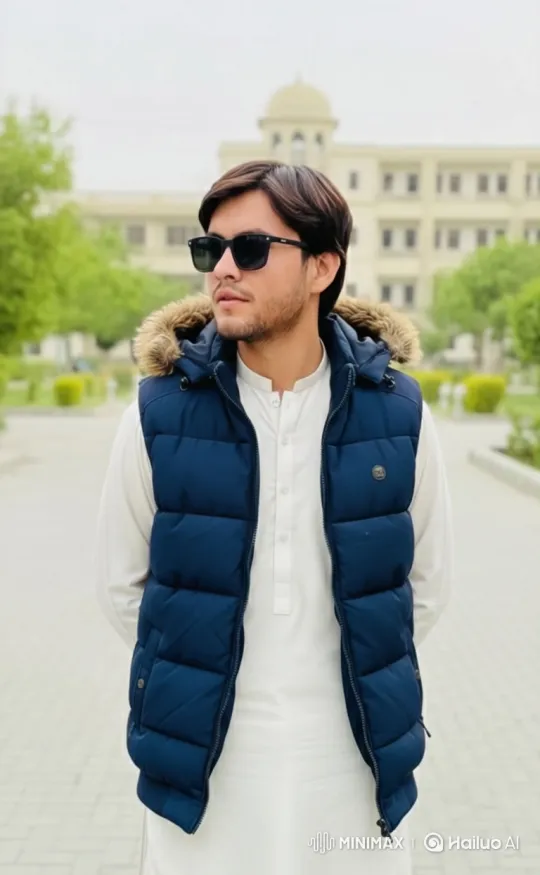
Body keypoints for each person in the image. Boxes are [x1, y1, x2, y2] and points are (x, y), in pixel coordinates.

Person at [95, 160, 453, 875]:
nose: (224, 268)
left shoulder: (399, 415)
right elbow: (121, 588)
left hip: (353, 768)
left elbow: (427, 587)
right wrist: (203, 664)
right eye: (210, 250)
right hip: (205, 771)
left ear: (323, 266)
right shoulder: (157, 414)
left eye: (251, 249)